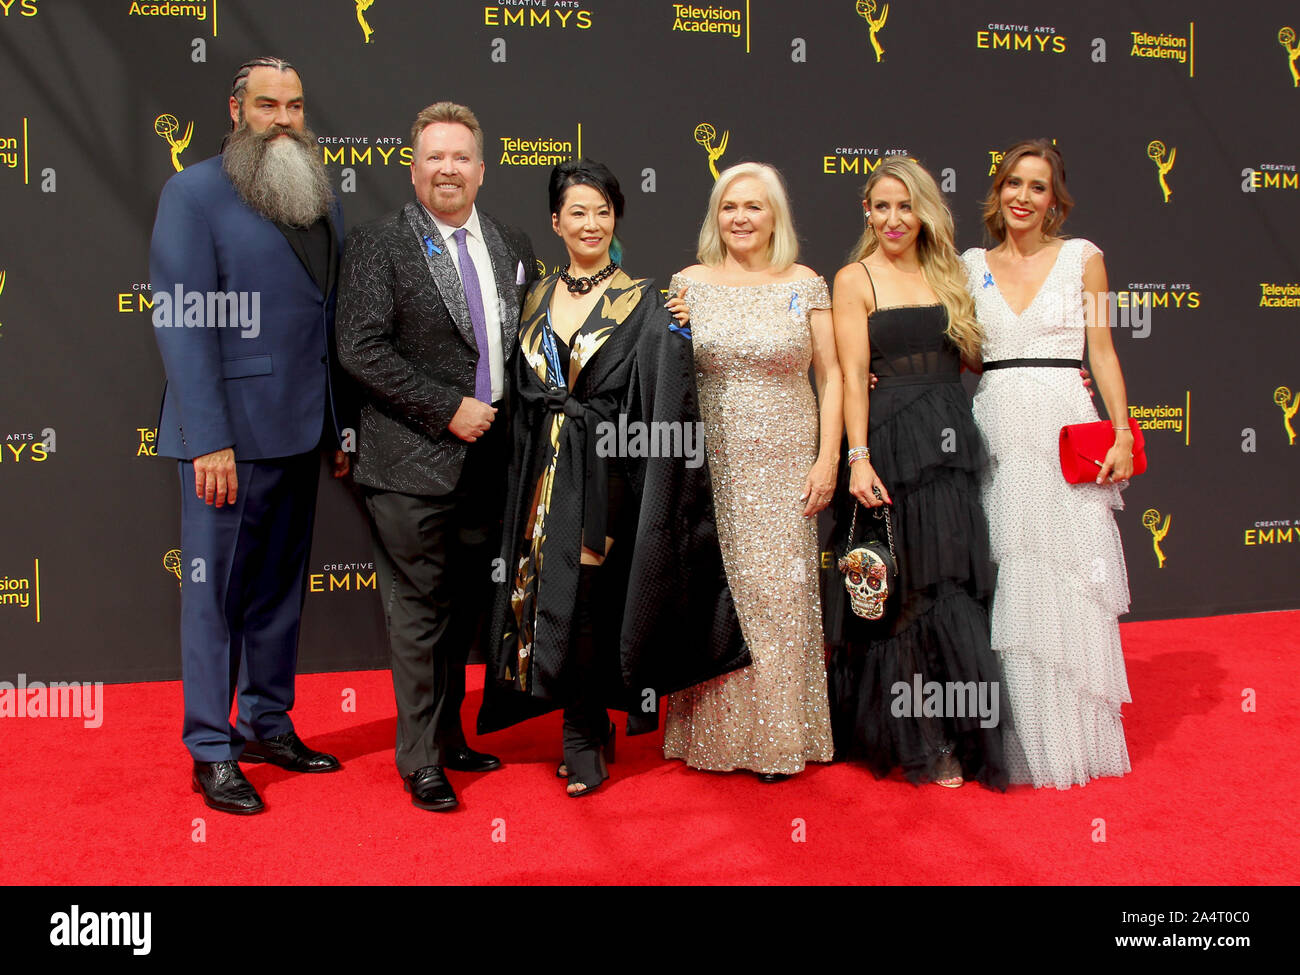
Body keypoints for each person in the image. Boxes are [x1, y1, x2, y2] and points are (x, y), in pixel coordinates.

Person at [477, 160, 748, 797]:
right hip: (543, 469)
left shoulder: (647, 300)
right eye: (578, 211)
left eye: (602, 211)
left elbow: (663, 383)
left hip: (605, 469)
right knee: (552, 596)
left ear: (615, 219)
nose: (591, 223)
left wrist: (678, 333)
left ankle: (581, 731)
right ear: (555, 221)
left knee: (591, 600)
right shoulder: (535, 296)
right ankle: (588, 722)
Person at [149, 56, 352, 815]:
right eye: (268, 105)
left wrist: (340, 425)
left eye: (295, 105)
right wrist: (208, 438)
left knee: (277, 594)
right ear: (235, 109)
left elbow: (325, 325)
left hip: (301, 431)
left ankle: (268, 720)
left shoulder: (317, 199)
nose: (284, 118)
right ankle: (210, 747)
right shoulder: (193, 193)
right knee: (213, 598)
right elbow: (182, 320)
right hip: (225, 442)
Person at [335, 102, 536, 812]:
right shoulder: (378, 243)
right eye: (434, 157)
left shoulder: (513, 243)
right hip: (408, 463)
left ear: (482, 170)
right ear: (413, 168)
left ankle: (450, 736)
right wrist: (445, 407)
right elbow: (358, 347)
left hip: (492, 465)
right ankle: (419, 758)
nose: (447, 169)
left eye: (460, 157)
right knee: (418, 611)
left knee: (463, 612)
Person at [826, 158, 1008, 790]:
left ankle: (958, 734)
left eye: (906, 206)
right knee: (900, 593)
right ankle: (918, 738)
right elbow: (851, 374)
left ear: (925, 210)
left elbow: (981, 358)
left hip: (951, 444)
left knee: (949, 583)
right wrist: (857, 457)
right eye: (881, 206)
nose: (894, 219)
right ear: (867, 212)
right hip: (888, 445)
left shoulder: (950, 272)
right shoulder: (854, 278)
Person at [962, 139, 1134, 789]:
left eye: (1037, 187)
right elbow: (960, 350)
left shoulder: (1084, 260)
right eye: (1013, 183)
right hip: (998, 426)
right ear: (997, 190)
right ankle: (1017, 737)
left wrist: (1120, 431)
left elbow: (1104, 352)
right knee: (1011, 573)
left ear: (1055, 201)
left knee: (1069, 574)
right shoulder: (970, 264)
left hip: (1066, 426)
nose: (1022, 197)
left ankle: (1075, 738)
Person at [662, 162, 841, 782]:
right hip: (712, 465)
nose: (741, 218)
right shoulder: (686, 285)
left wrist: (828, 457)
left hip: (788, 461)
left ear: (775, 216)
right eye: (729, 206)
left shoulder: (807, 283)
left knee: (781, 595)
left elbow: (834, 375)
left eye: (754, 207)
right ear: (716, 215)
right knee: (718, 590)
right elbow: (668, 372)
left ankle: (779, 739)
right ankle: (712, 737)